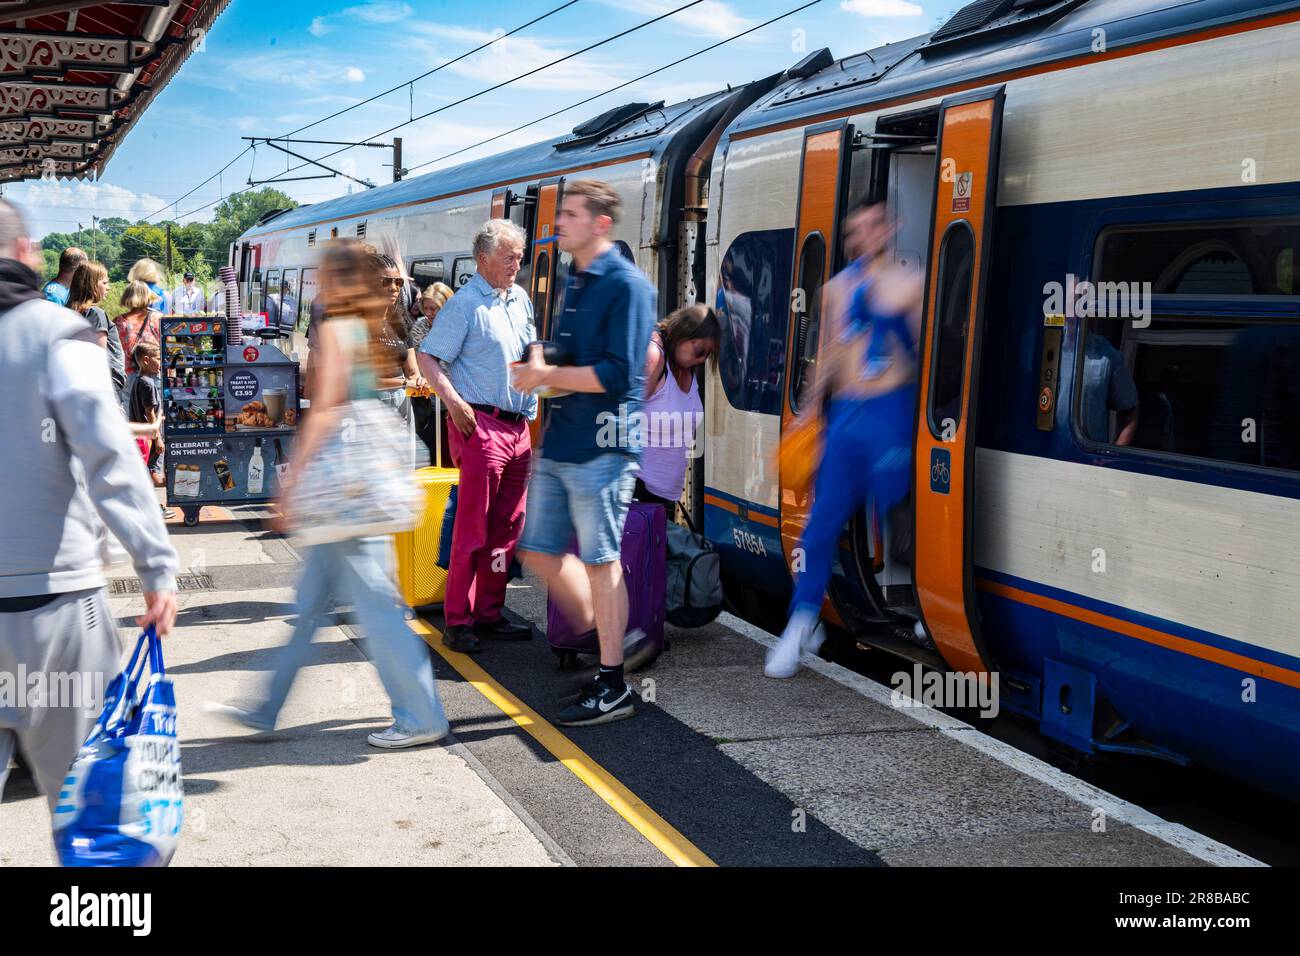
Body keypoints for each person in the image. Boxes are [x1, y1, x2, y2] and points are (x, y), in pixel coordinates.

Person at [206, 240, 448, 749]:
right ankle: (266, 708)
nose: (316, 282)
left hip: (346, 491)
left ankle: (421, 715)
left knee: (378, 609)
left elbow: (325, 409)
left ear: (338, 280)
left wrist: (291, 480)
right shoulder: (367, 323)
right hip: (358, 486)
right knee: (313, 603)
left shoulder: (337, 329)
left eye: (322, 275)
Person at [0, 199, 179, 830]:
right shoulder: (57, 334)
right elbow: (109, 456)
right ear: (27, 254)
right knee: (90, 804)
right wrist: (157, 565)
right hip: (58, 605)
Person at [511, 180, 656, 726]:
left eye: (569, 215)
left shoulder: (627, 287)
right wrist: (537, 365)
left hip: (603, 445)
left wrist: (549, 373)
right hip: (562, 439)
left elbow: (621, 374)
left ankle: (613, 680)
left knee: (600, 561)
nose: (557, 224)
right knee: (538, 551)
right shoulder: (576, 278)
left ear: (600, 223)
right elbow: (574, 356)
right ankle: (618, 632)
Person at [765, 200, 924, 679]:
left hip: (892, 411)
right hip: (848, 415)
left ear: (891, 227)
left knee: (900, 510)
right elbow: (828, 355)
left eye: (873, 225)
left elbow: (925, 358)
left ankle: (924, 611)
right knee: (820, 524)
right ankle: (802, 621)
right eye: (856, 230)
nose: (865, 236)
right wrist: (809, 413)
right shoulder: (836, 288)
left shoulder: (911, 284)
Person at [417, 222, 536, 654]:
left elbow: (528, 351)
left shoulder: (520, 299)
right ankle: (458, 619)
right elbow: (427, 355)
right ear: (483, 258)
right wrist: (453, 402)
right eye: (509, 256)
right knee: (472, 529)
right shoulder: (465, 304)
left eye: (520, 256)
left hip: (518, 423)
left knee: (507, 528)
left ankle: (489, 610)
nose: (517, 263)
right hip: (480, 424)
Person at [632, 304, 720, 514]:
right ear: (682, 333)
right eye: (699, 351)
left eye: (707, 355)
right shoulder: (653, 356)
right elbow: (619, 414)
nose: (701, 359)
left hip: (662, 497)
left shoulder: (686, 368)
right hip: (635, 491)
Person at [374, 254, 428, 466]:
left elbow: (413, 371)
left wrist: (420, 381)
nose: (394, 288)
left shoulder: (401, 323)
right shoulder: (358, 325)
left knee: (403, 473)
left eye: (398, 282)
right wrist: (405, 383)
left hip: (400, 413)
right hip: (370, 414)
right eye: (386, 281)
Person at [67, 260, 126, 412]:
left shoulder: (69, 314)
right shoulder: (96, 313)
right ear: (92, 285)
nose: (109, 287)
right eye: (105, 283)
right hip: (106, 387)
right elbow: (99, 356)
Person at [409, 281, 454, 463]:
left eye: (434, 309)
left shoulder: (458, 328)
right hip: (429, 404)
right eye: (425, 308)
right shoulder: (420, 328)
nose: (428, 314)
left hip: (455, 401)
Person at [114, 280, 162, 438]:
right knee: (156, 415)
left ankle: (139, 452)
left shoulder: (119, 322)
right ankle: (157, 445)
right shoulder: (158, 319)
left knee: (133, 419)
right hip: (154, 375)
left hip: (130, 377)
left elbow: (116, 352)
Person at [1080, 326, 1139, 445]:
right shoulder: (1039, 342)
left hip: (1086, 459)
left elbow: (1129, 409)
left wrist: (1112, 456)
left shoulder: (1106, 355)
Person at [129, 342, 167, 491]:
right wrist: (158, 439)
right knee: (154, 475)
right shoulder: (148, 384)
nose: (160, 362)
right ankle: (156, 507)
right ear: (146, 360)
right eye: (157, 358)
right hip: (150, 439)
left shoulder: (138, 381)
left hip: (142, 438)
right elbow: (149, 413)